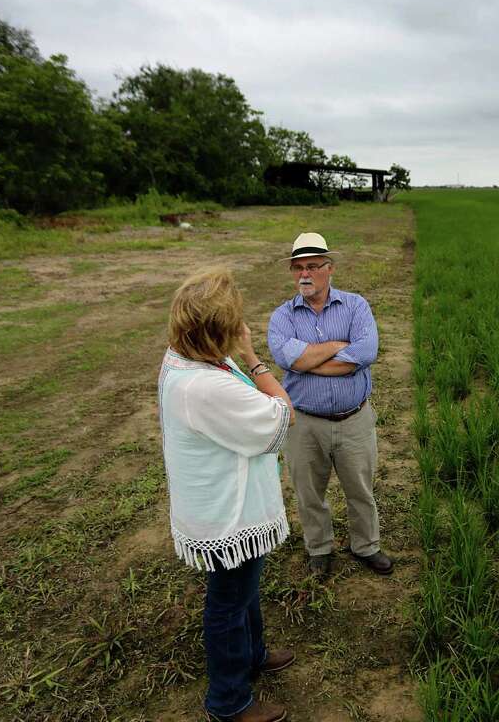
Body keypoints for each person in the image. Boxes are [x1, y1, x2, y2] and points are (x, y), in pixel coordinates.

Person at [158, 266, 296, 722]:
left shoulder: (188, 358)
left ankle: (254, 655)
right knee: (228, 603)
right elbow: (282, 413)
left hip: (221, 506)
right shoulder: (206, 385)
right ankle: (229, 700)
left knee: (243, 592)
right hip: (227, 516)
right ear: (218, 331)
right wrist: (252, 356)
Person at [267, 232, 392, 580]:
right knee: (309, 492)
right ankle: (319, 548)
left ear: (329, 268)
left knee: (360, 489)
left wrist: (307, 361)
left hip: (354, 419)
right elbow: (287, 358)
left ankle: (366, 545)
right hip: (304, 422)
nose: (304, 274)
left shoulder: (356, 306)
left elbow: (365, 352)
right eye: (298, 268)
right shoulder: (282, 317)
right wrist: (339, 347)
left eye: (312, 266)